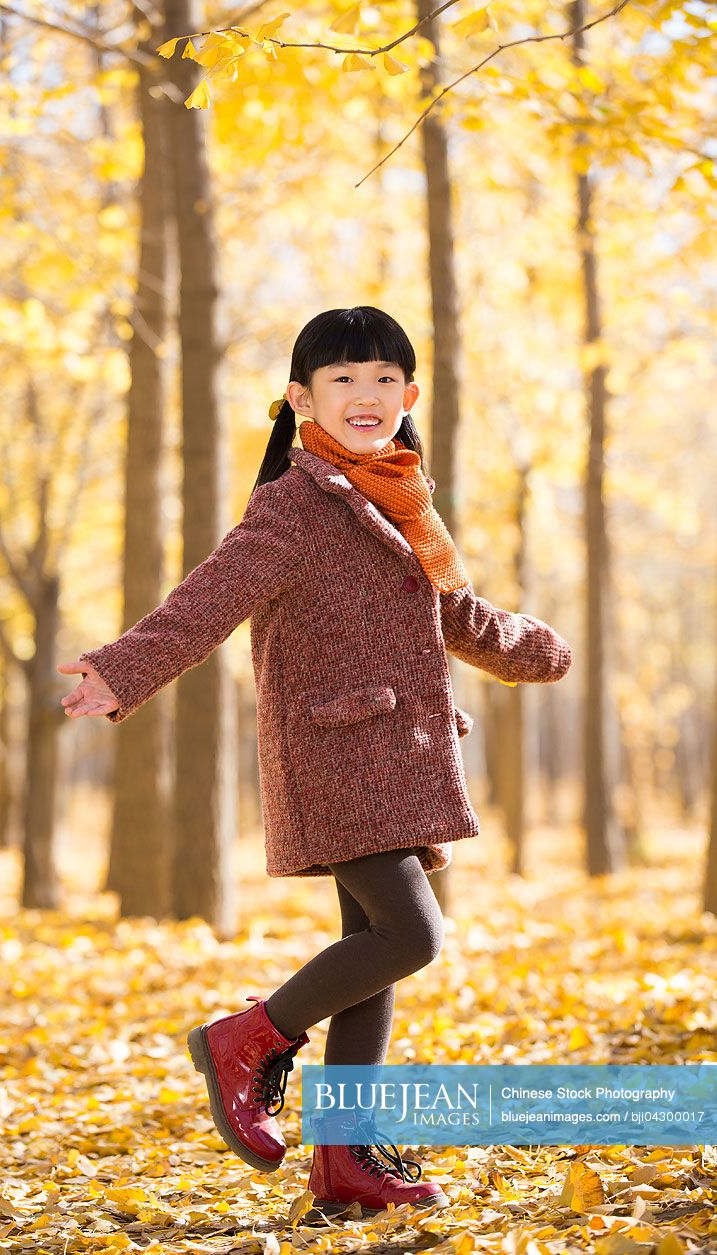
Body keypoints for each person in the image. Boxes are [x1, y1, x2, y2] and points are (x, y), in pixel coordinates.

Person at [57, 305, 572, 1216]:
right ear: (301, 400)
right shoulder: (294, 505)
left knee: (370, 958)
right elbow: (206, 599)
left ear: (409, 395)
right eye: (341, 379)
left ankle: (345, 1163)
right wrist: (120, 669)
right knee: (412, 936)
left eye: (383, 379)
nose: (365, 395)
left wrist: (535, 648)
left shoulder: (402, 497)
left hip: (398, 758)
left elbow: (452, 613)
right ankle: (245, 1038)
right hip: (338, 758)